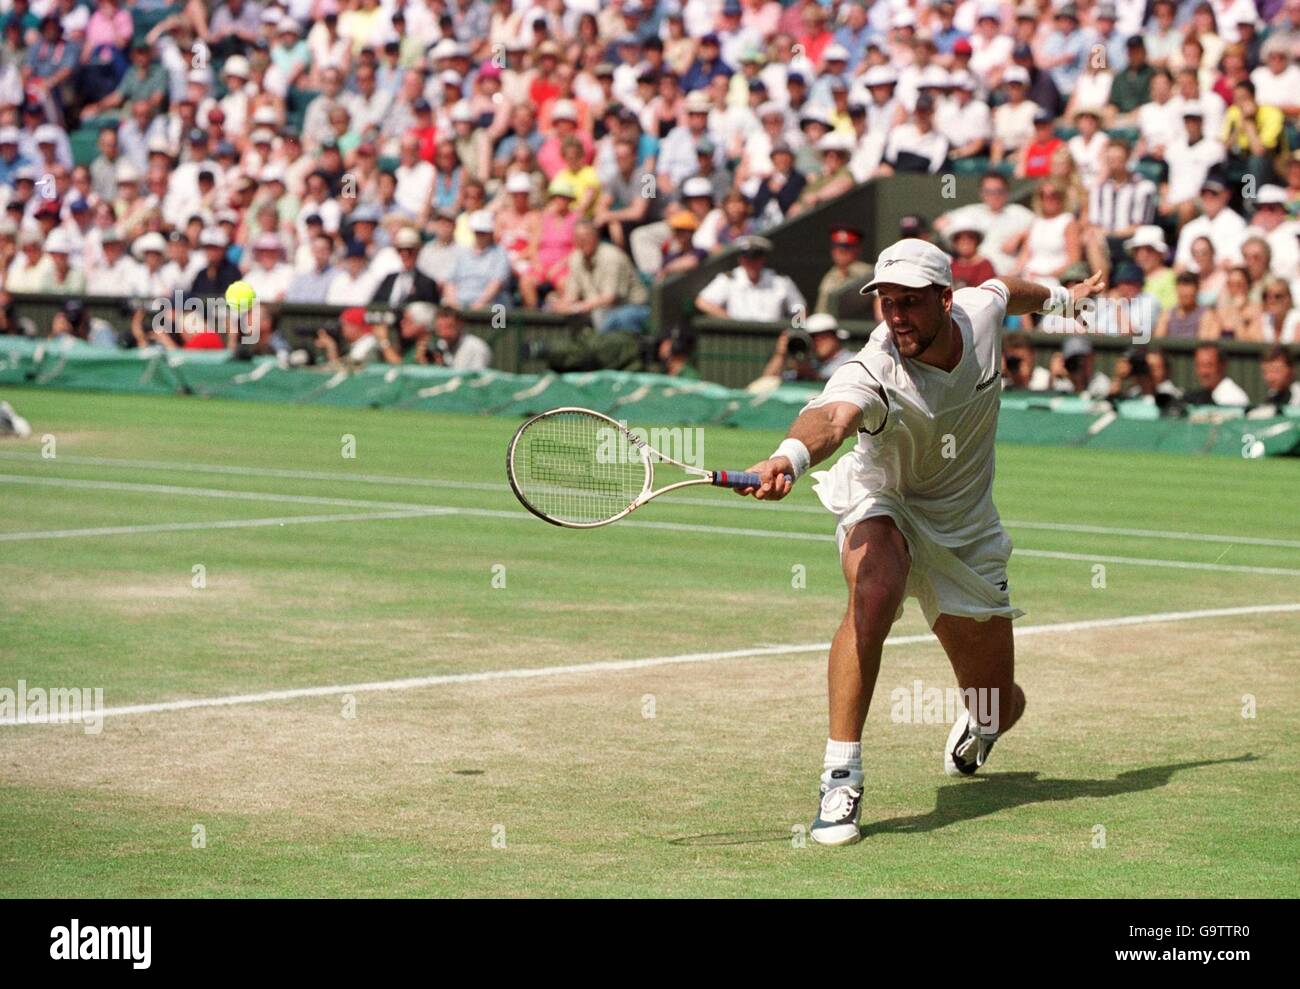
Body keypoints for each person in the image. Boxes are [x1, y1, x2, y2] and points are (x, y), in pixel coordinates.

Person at [732, 238, 1106, 845]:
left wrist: (1065, 298)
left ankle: (982, 724)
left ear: (945, 300)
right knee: (873, 592)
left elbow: (1010, 290)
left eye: (910, 302)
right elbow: (829, 419)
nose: (897, 316)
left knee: (998, 706)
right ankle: (840, 775)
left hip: (966, 532)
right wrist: (788, 457)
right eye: (886, 302)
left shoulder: (980, 315)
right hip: (887, 502)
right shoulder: (873, 368)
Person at [694, 234, 806, 321]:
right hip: (739, 338)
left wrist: (795, 330)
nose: (752, 263)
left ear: (763, 259)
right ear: (741, 260)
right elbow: (702, 302)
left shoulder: (780, 281)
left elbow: (800, 308)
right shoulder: (730, 279)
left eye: (756, 258)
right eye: (747, 259)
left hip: (772, 338)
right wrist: (729, 320)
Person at [813, 225, 870, 313]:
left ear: (858, 249)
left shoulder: (866, 272)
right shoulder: (830, 275)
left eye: (846, 246)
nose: (839, 251)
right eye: (835, 246)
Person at [1184, 343, 1252, 406]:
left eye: (1208, 366)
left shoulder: (1234, 398)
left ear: (1223, 366)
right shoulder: (1199, 396)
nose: (1203, 372)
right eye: (1199, 365)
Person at [430, 305, 492, 370]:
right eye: (440, 328)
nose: (445, 333)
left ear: (460, 325)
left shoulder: (477, 348)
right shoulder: (440, 345)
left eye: (449, 327)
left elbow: (478, 378)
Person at [1256, 345, 1300, 412]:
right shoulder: (1271, 395)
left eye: (1276, 371)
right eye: (1265, 372)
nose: (1270, 378)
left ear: (1291, 370)